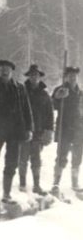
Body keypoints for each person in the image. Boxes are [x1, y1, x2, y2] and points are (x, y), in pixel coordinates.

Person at [0, 59, 34, 203]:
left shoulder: (20, 88)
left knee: (11, 162)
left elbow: (27, 110)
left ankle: (7, 194)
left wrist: (29, 129)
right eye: (2, 68)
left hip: (15, 131)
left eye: (7, 68)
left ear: (12, 70)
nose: (4, 71)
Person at [19, 64, 54, 195]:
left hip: (38, 132)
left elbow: (50, 115)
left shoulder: (45, 95)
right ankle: (22, 184)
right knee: (22, 158)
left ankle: (36, 185)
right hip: (23, 131)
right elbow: (16, 111)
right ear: (29, 76)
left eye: (37, 75)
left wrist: (49, 131)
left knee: (36, 159)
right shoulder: (21, 91)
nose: (34, 77)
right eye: (32, 74)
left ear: (39, 77)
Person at [51, 66, 83, 196]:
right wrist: (58, 97)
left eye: (74, 75)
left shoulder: (81, 94)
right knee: (61, 156)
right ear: (66, 77)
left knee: (77, 157)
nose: (72, 77)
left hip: (79, 130)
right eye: (70, 75)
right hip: (64, 129)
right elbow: (52, 105)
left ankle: (75, 182)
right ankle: (56, 182)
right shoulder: (60, 90)